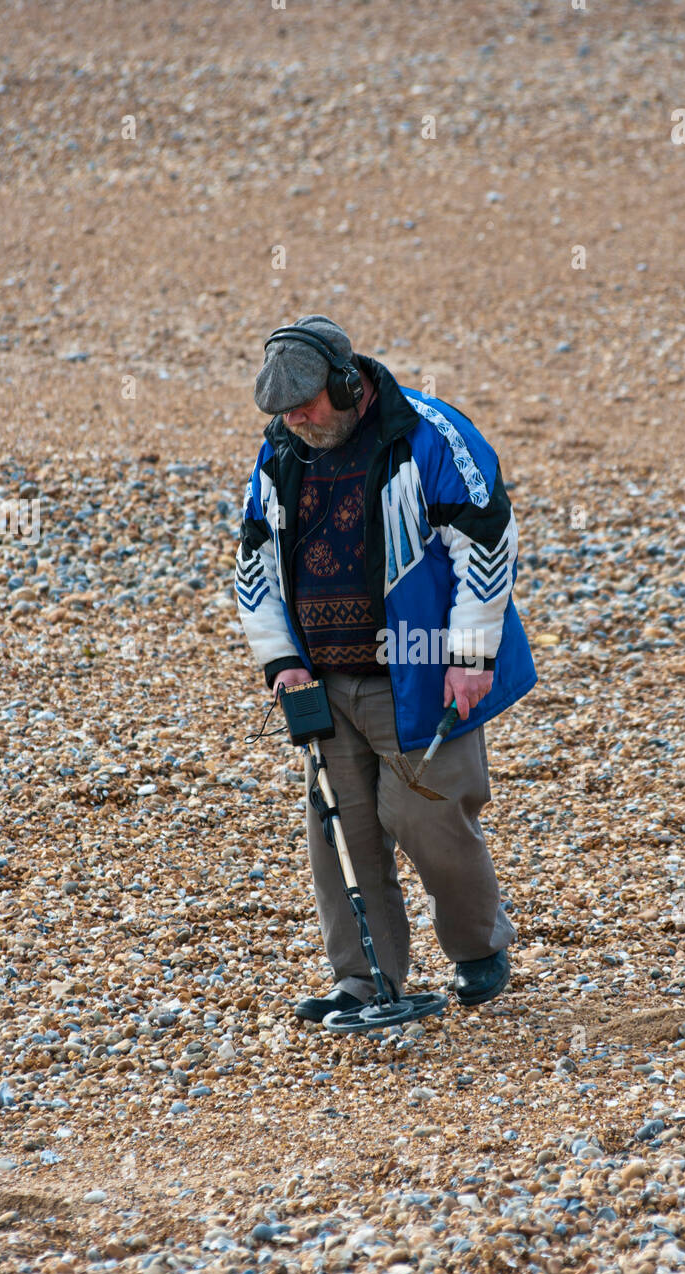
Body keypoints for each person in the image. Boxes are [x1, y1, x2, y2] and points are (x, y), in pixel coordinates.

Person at [235, 315, 536, 1020]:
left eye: (308, 403)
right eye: (285, 409)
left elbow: (487, 542)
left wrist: (469, 655)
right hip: (322, 680)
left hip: (422, 671)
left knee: (425, 814)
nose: (298, 418)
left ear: (349, 382)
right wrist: (279, 658)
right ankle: (365, 982)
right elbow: (253, 558)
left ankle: (477, 949)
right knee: (341, 831)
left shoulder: (430, 434)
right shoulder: (282, 447)